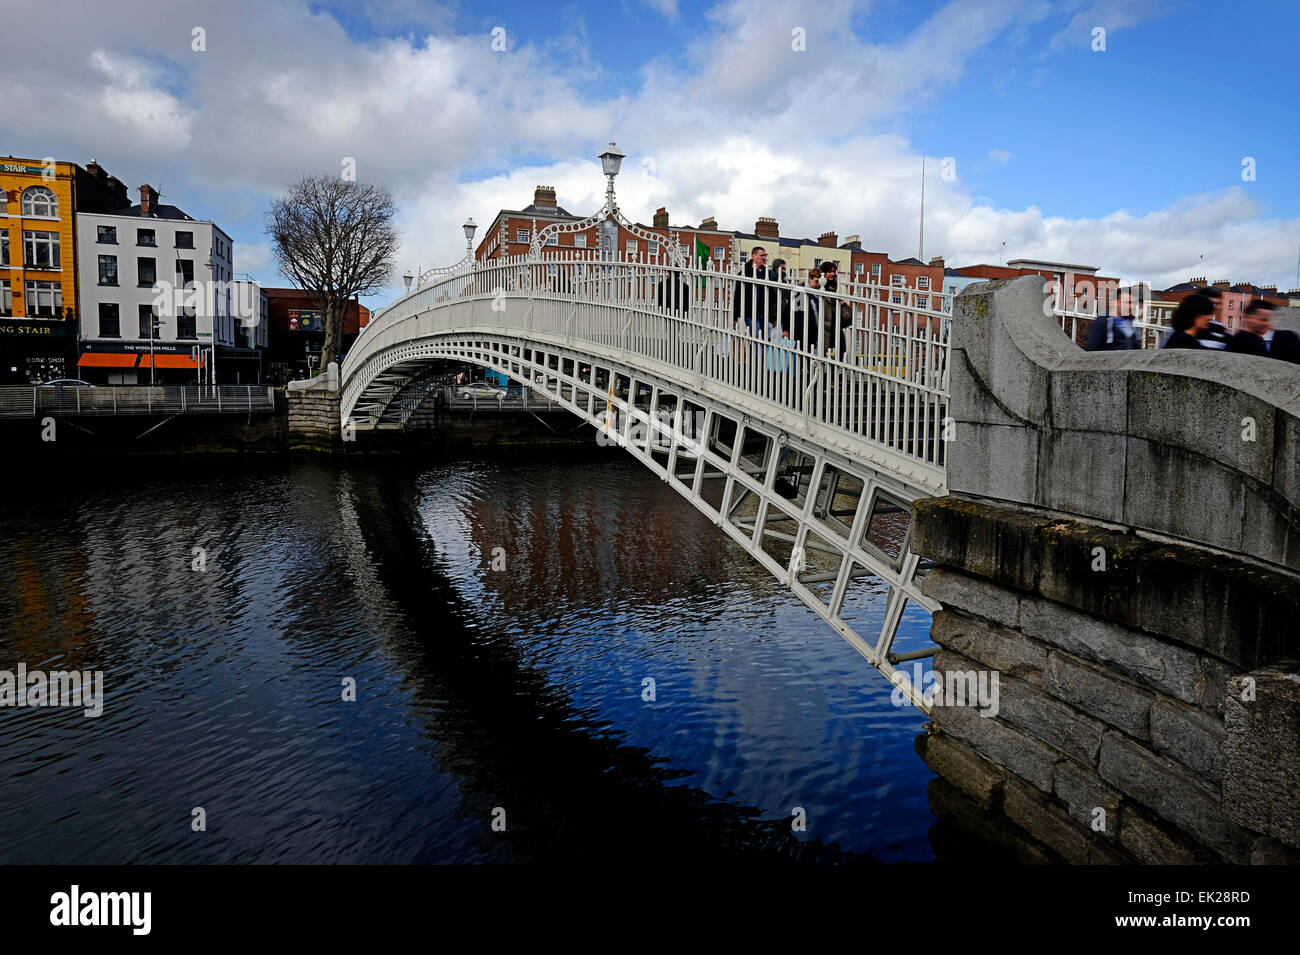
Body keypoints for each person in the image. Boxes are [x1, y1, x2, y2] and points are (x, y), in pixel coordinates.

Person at [1226, 299, 1300, 363]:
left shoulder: (1287, 338)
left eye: (1268, 320)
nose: (1267, 324)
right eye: (1262, 320)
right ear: (1248, 318)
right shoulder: (1239, 342)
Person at [732, 246, 771, 338]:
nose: (764, 258)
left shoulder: (767, 273)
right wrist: (735, 317)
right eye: (761, 255)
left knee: (766, 338)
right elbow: (737, 295)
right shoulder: (744, 273)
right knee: (757, 337)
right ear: (753, 256)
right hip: (750, 312)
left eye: (765, 255)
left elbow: (772, 295)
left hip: (764, 311)